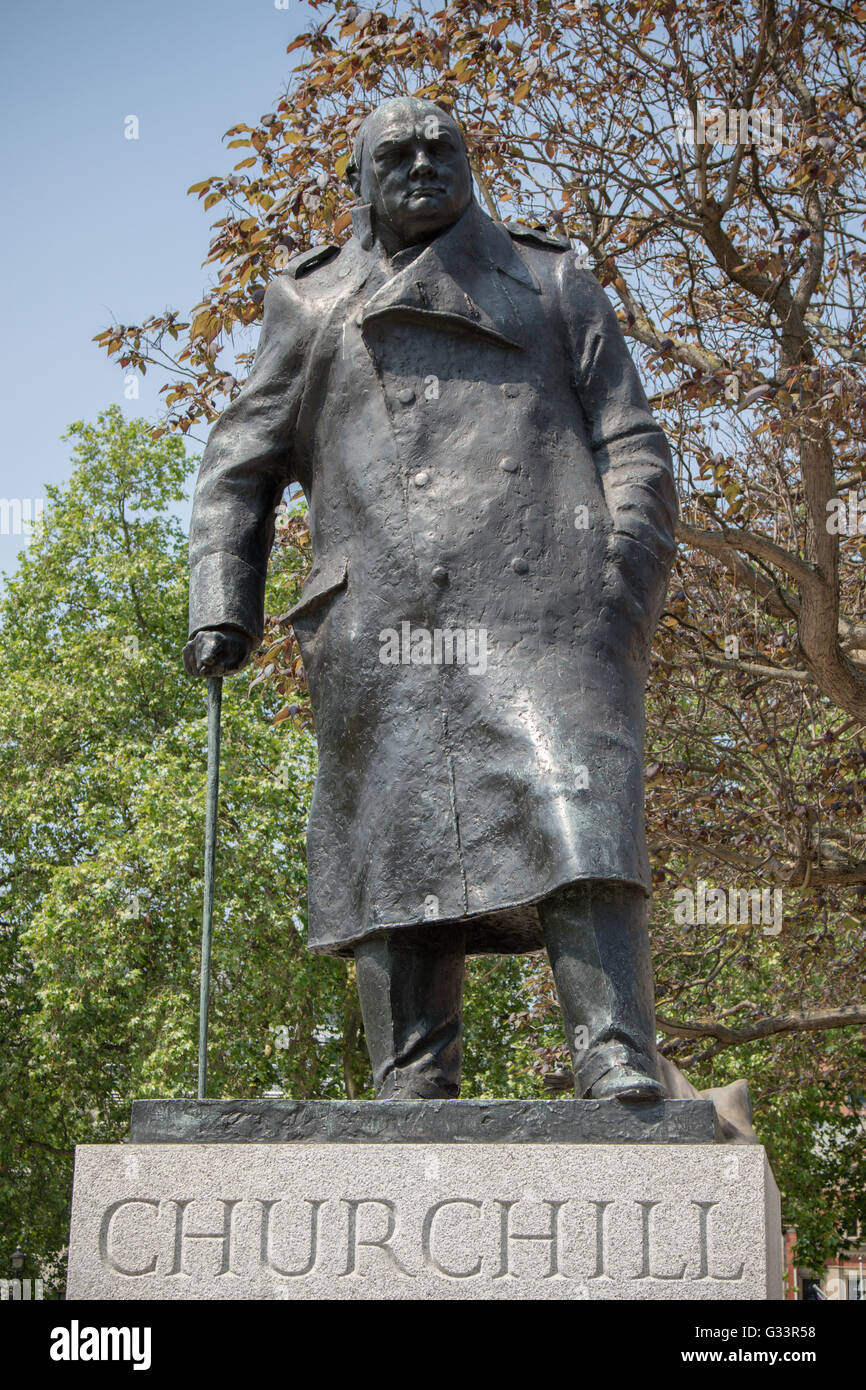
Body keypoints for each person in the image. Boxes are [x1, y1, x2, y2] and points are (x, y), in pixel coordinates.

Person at [184, 96, 678, 1104]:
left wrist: (619, 574)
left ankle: (616, 1050)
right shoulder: (311, 303)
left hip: (548, 602)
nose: (421, 165)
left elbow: (631, 441)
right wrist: (221, 600)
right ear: (359, 181)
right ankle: (410, 1074)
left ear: (469, 164)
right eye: (395, 153)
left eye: (441, 149)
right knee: (397, 840)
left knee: (576, 803)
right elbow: (239, 463)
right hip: (383, 620)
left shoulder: (550, 282)